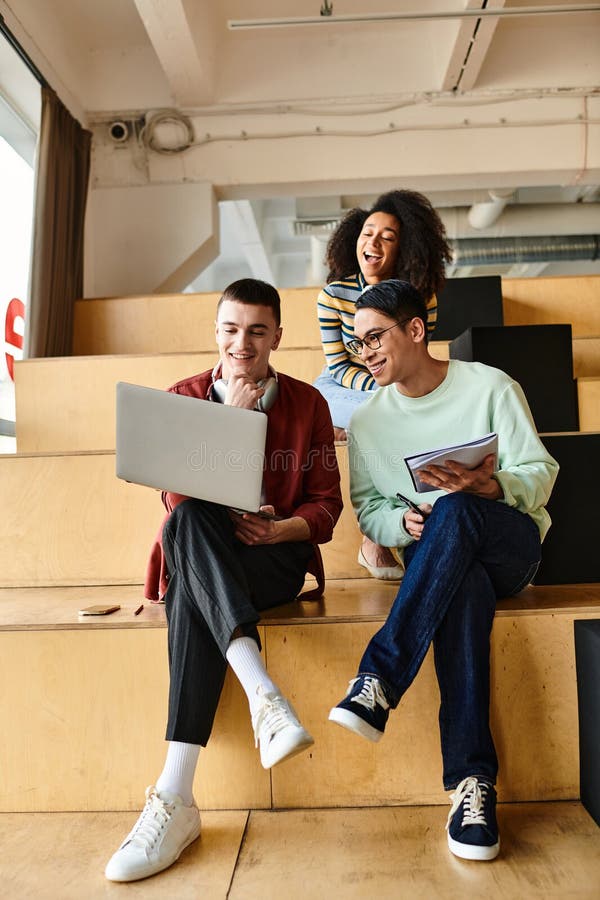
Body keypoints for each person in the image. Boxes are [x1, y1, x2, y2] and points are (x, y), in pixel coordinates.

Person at [105, 278, 343, 883]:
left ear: (278, 337)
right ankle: (241, 717)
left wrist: (281, 527)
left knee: (189, 562)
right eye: (232, 328)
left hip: (273, 561)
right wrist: (229, 421)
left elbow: (325, 508)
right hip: (205, 556)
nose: (243, 342)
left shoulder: (309, 404)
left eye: (258, 330)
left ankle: (174, 805)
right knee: (187, 526)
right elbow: (176, 497)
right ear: (217, 332)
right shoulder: (183, 397)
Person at [328, 279, 558, 862]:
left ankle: (379, 679)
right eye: (358, 344)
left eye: (376, 337)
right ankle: (472, 786)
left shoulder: (490, 386)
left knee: (457, 508)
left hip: (510, 544)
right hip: (441, 563)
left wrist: (492, 484)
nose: (368, 352)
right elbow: (371, 507)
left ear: (415, 330)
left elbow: (542, 472)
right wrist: (399, 526)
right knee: (462, 586)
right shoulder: (370, 421)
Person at [314, 189, 452, 580]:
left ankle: (418, 526)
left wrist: (398, 391)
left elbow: (416, 357)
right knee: (379, 415)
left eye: (387, 237)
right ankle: (374, 540)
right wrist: (385, 392)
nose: (372, 242)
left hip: (398, 380)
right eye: (366, 233)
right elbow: (339, 366)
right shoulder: (333, 295)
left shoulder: (420, 298)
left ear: (403, 248)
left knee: (415, 412)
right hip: (344, 384)